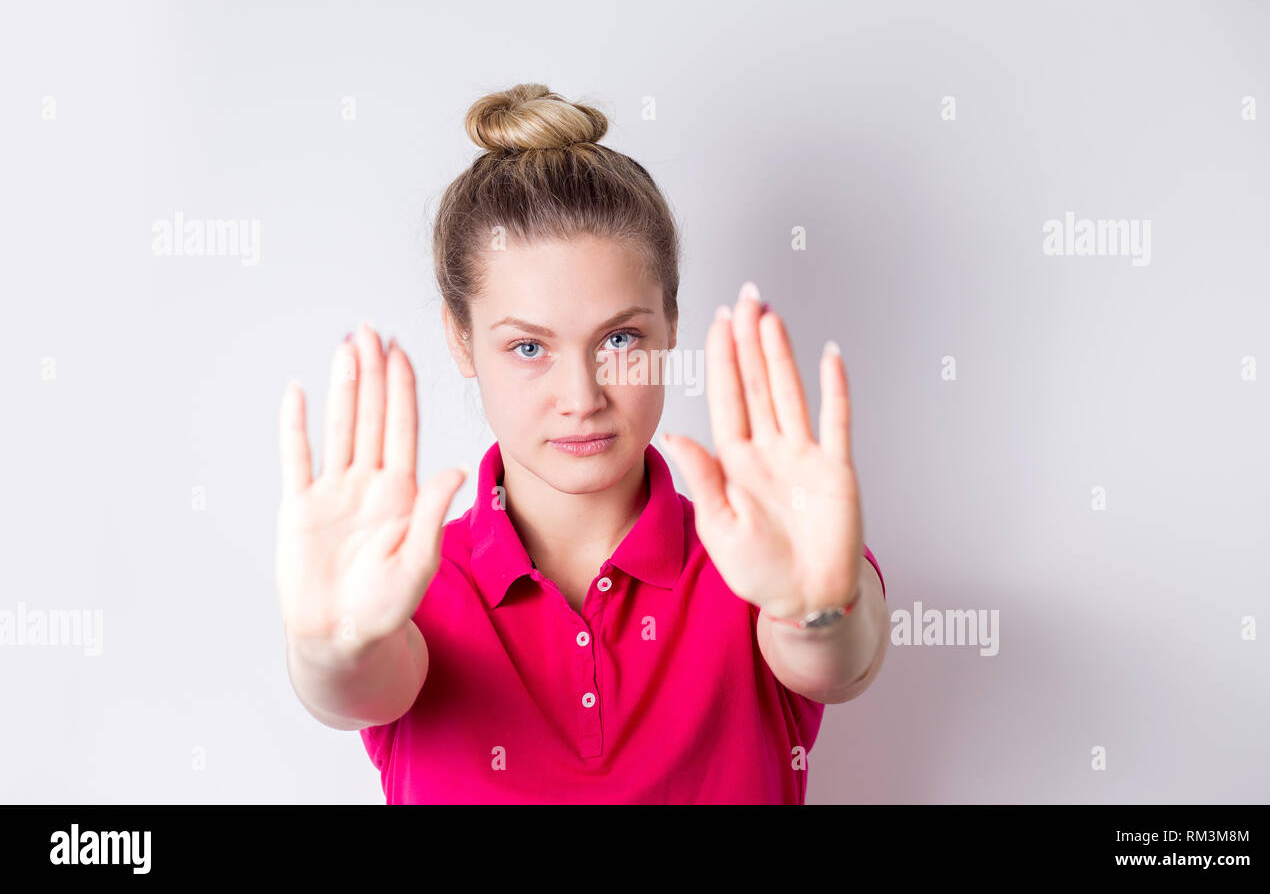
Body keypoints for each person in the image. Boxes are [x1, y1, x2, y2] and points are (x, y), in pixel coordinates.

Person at [275, 83, 889, 803]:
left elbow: (839, 663)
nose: (582, 397)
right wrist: (331, 644)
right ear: (461, 338)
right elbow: (354, 691)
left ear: (671, 324)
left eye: (620, 338)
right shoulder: (402, 584)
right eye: (529, 347)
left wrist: (817, 609)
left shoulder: (774, 557)